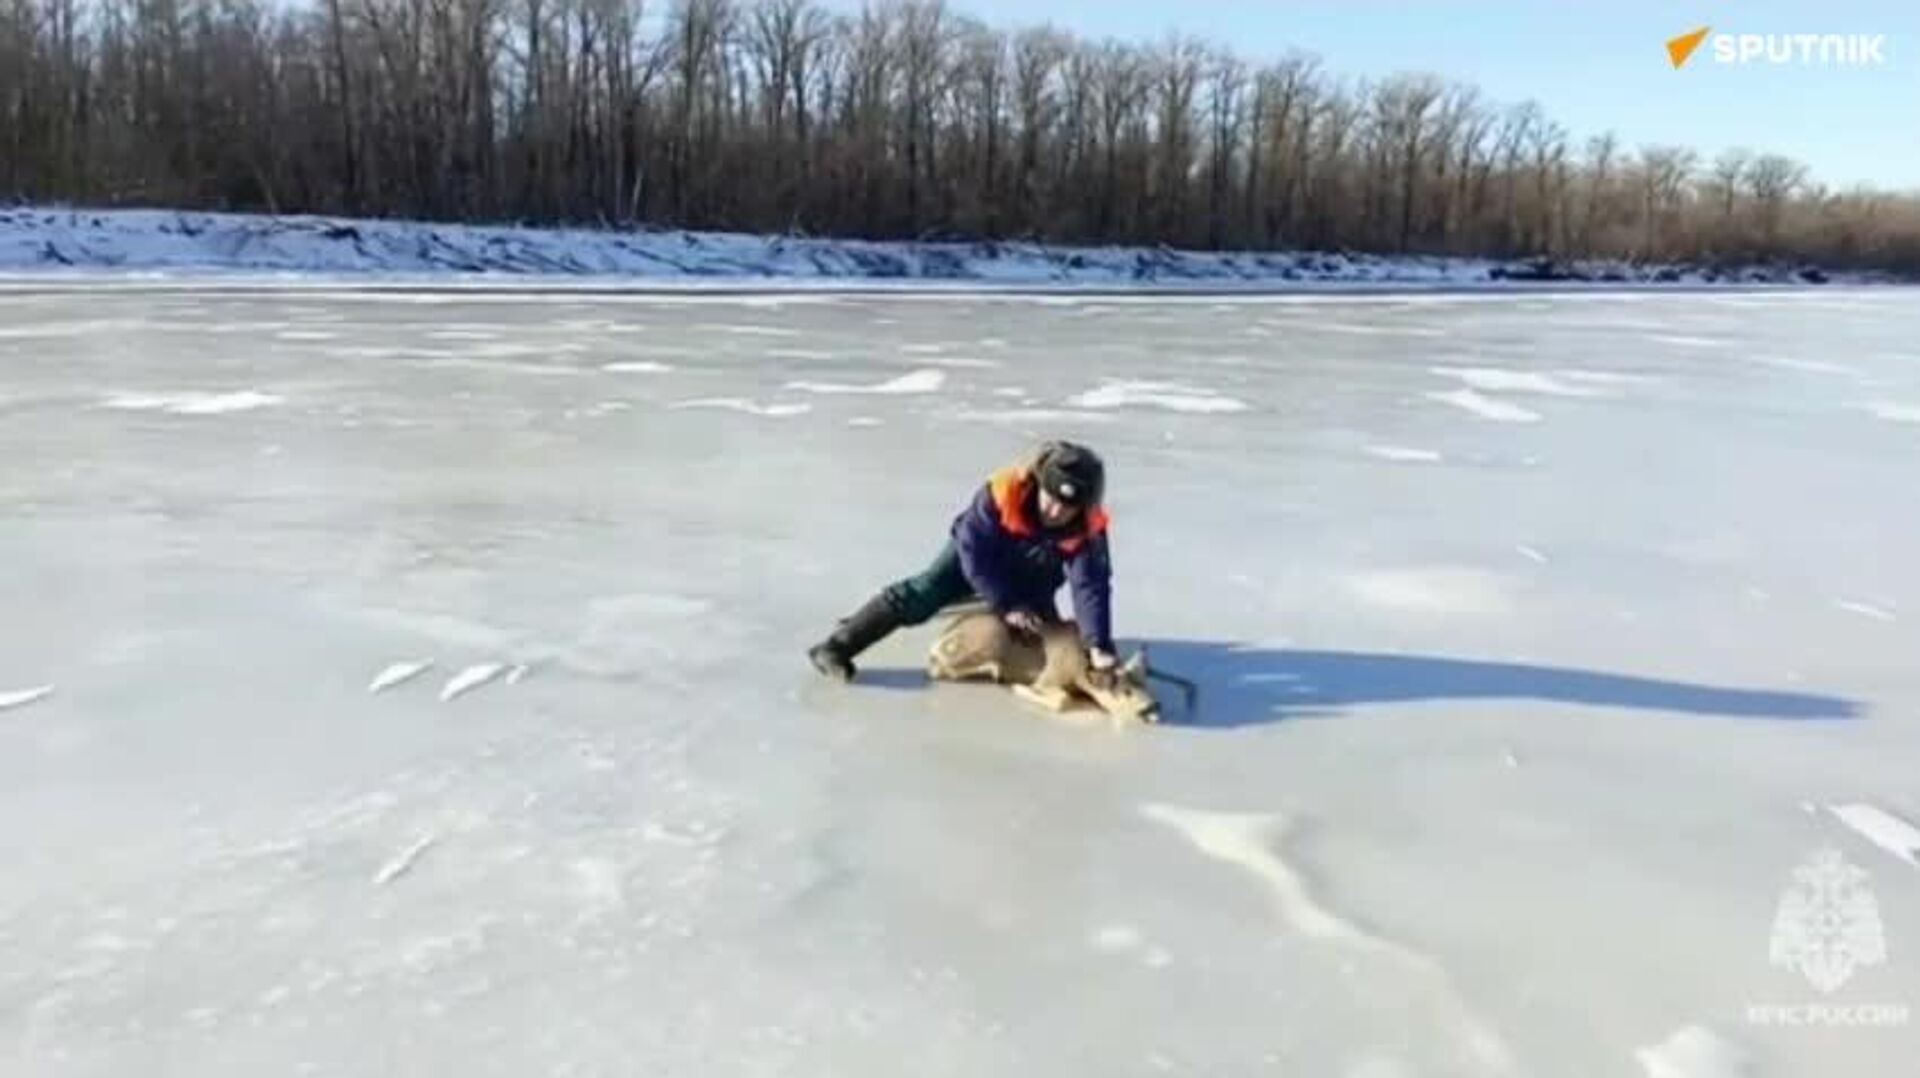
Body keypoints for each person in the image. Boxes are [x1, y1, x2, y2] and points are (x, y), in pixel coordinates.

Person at [807, 440, 1117, 682]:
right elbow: (975, 556)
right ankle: (836, 646)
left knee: (1048, 639)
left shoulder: (1089, 527)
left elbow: (1091, 585)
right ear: (1039, 483)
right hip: (978, 555)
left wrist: (1099, 644)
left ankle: (988, 610)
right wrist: (1007, 605)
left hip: (1033, 571)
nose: (1055, 513)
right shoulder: (1003, 491)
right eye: (1051, 499)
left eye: (1068, 508)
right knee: (923, 594)